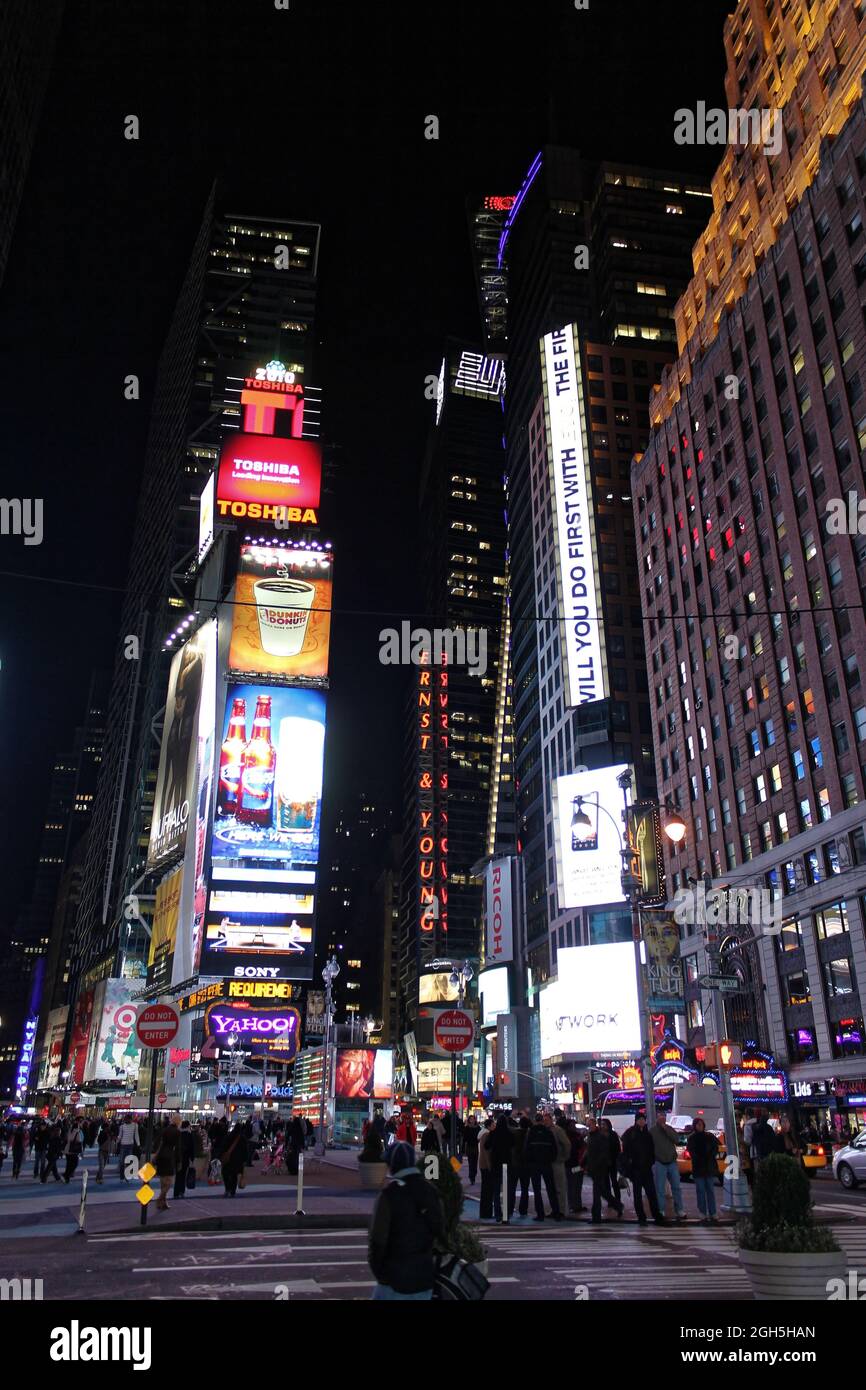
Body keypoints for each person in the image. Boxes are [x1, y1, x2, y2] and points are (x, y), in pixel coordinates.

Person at [368, 1141, 445, 1300]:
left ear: (392, 1165)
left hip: (393, 1280)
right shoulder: (430, 1191)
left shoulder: (389, 1195)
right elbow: (440, 1230)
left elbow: (377, 1239)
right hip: (423, 1277)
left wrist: (381, 1273)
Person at [622, 1113, 665, 1226]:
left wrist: (650, 1161)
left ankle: (656, 1216)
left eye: (643, 1119)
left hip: (646, 1168)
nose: (641, 1121)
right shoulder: (631, 1133)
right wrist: (629, 1165)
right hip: (636, 1169)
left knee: (651, 1193)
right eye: (639, 1119)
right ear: (636, 1121)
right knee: (638, 1195)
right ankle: (641, 1217)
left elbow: (651, 1149)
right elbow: (625, 1151)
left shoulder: (647, 1134)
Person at [584, 1117, 622, 1223]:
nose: (588, 1127)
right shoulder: (592, 1136)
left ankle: (597, 1216)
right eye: (588, 1126)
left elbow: (603, 1152)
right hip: (596, 1167)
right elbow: (589, 1152)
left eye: (590, 1125)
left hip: (599, 1168)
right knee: (602, 1191)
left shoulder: (599, 1137)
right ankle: (617, 1205)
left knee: (598, 1192)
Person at [524, 1112, 561, 1221]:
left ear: (535, 1120)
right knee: (551, 1188)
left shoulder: (531, 1132)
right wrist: (551, 1159)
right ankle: (556, 1212)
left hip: (535, 1164)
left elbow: (527, 1149)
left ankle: (540, 1214)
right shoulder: (548, 1132)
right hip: (546, 1163)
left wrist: (529, 1161)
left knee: (537, 1190)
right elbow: (554, 1149)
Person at [650, 1112, 686, 1222]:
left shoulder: (670, 1128)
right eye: (660, 1116)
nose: (662, 1118)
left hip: (672, 1161)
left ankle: (679, 1209)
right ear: (656, 1118)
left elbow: (676, 1139)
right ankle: (661, 1210)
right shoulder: (652, 1131)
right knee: (660, 1188)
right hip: (659, 1162)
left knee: (676, 1187)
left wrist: (666, 1129)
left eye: (664, 1116)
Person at [686, 1117, 720, 1225]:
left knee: (710, 1190)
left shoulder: (709, 1136)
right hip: (699, 1167)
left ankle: (713, 1212)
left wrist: (710, 1156)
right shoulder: (692, 1138)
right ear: (695, 1126)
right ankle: (702, 1212)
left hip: (708, 1166)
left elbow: (716, 1147)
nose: (700, 1126)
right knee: (700, 1190)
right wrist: (699, 1158)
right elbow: (691, 1151)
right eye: (698, 1124)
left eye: (701, 1124)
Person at [487, 1114, 514, 1223]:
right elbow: (513, 1144)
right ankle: (506, 1216)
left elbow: (486, 1146)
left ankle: (498, 1214)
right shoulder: (509, 1134)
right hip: (506, 1163)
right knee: (506, 1190)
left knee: (496, 1191)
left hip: (496, 1163)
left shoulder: (493, 1133)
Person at [547, 1112, 572, 1218]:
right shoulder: (546, 1130)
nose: (545, 1122)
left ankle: (561, 1210)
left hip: (557, 1161)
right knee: (551, 1188)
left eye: (546, 1120)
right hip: (549, 1162)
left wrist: (563, 1157)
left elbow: (567, 1144)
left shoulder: (557, 1130)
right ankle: (555, 1209)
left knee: (559, 1187)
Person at [507, 1115, 532, 1220]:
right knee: (525, 1188)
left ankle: (509, 1209)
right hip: (526, 1164)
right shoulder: (530, 1135)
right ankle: (523, 1210)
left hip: (514, 1164)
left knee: (511, 1188)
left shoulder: (513, 1133)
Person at [599, 1118, 625, 1217]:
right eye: (601, 1124)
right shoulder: (599, 1135)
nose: (602, 1126)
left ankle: (617, 1200)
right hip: (604, 1163)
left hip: (612, 1163)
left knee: (614, 1182)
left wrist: (614, 1159)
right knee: (606, 1184)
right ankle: (611, 1201)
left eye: (604, 1124)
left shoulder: (613, 1135)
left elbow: (617, 1148)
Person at [153, 1120, 180, 1211]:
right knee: (169, 1181)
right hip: (169, 1157)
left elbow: (159, 1143)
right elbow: (178, 1147)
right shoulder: (177, 1132)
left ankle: (163, 1202)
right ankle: (160, 1199)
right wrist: (179, 1160)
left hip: (161, 1156)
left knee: (163, 1181)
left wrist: (156, 1155)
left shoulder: (164, 1130)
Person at [564, 1119, 586, 1213]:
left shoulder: (576, 1136)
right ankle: (574, 1205)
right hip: (572, 1164)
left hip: (576, 1164)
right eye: (572, 1125)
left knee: (576, 1185)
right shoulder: (571, 1137)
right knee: (573, 1185)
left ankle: (576, 1205)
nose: (574, 1127)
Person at [221, 1123, 249, 1197]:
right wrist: (245, 1160)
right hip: (238, 1160)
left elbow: (223, 1147)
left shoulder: (229, 1136)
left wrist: (221, 1155)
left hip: (228, 1159)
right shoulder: (242, 1138)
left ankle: (227, 1189)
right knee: (234, 1176)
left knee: (225, 1174)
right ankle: (233, 1191)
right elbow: (245, 1150)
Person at [477, 1118, 495, 1218]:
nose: (494, 1126)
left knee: (485, 1189)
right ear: (489, 1126)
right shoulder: (487, 1135)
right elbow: (487, 1153)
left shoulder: (483, 1134)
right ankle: (486, 1213)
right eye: (493, 1124)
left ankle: (484, 1212)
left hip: (482, 1164)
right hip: (486, 1166)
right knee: (488, 1190)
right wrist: (490, 1166)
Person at [174, 1121, 196, 1198]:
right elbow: (192, 1148)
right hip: (185, 1158)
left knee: (178, 1175)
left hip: (178, 1158)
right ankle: (181, 1192)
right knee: (183, 1176)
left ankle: (176, 1192)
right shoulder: (189, 1135)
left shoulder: (178, 1134)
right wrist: (192, 1159)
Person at [118, 1115, 140, 1181]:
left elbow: (136, 1135)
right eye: (126, 1120)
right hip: (123, 1145)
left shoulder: (135, 1126)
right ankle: (122, 1176)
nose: (127, 1121)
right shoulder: (122, 1126)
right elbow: (120, 1135)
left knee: (129, 1161)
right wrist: (117, 1141)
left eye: (128, 1119)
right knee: (122, 1162)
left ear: (131, 1119)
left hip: (130, 1145)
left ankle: (127, 1176)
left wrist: (138, 1144)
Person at [462, 1114, 480, 1184]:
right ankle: (471, 1177)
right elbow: (464, 1139)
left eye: (473, 1119)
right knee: (470, 1163)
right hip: (469, 1147)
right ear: (469, 1120)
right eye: (470, 1119)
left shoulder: (478, 1128)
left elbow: (480, 1136)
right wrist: (463, 1148)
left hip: (475, 1147)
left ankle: (474, 1175)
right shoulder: (467, 1128)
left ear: (475, 1120)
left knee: (475, 1163)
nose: (472, 1120)